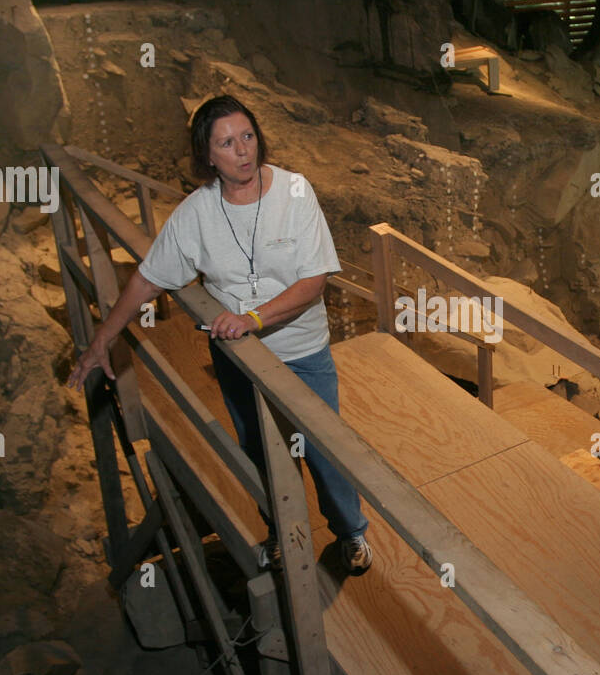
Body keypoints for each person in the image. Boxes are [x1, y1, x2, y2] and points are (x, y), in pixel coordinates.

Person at [67, 94, 373, 574]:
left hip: (301, 351)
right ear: (207, 156)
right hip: (240, 360)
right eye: (227, 143)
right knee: (260, 452)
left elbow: (314, 280)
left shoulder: (295, 192)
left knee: (324, 449)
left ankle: (350, 531)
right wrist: (103, 337)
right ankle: (281, 532)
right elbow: (149, 278)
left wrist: (252, 318)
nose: (243, 150)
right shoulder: (196, 213)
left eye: (248, 136)